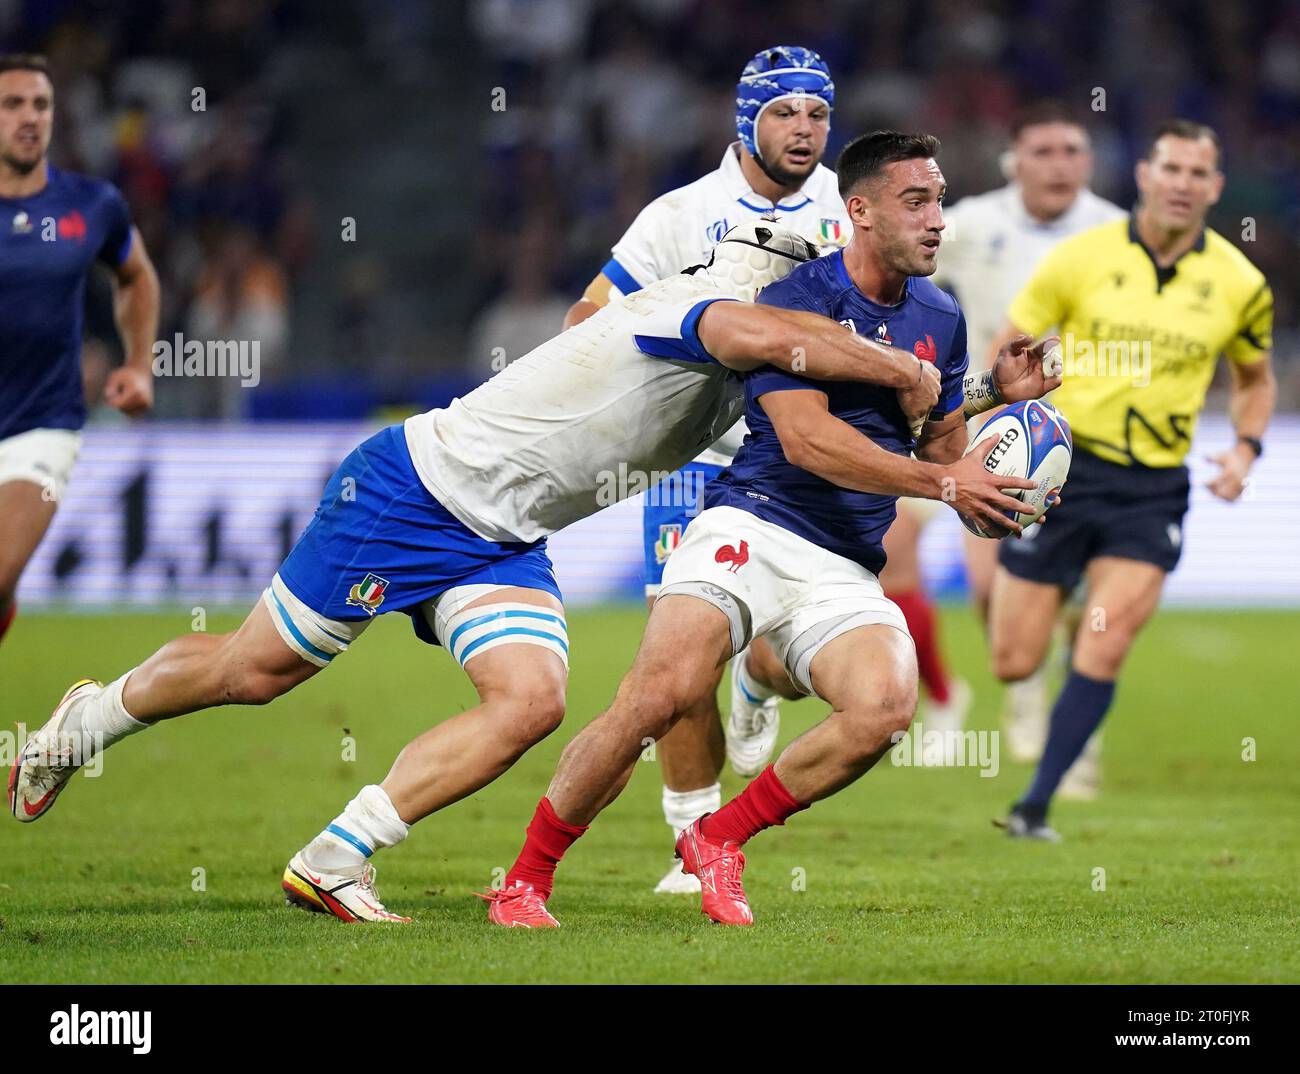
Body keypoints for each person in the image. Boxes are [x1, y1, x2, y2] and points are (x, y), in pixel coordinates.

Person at [9, 224, 947, 924]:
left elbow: (834, 409)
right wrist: (896, 364)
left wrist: (979, 392)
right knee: (255, 673)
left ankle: (340, 854)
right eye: (808, 293)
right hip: (416, 492)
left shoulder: (756, 359)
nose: (823, 305)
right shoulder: (708, 311)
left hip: (507, 534)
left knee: (533, 700)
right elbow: (772, 337)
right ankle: (85, 722)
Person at [483, 132, 1062, 929]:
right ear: (858, 210)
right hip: (752, 526)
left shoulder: (941, 313)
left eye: (939, 201)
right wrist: (941, 481)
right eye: (916, 202)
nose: (937, 221)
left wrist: (995, 416)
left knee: (884, 709)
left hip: (844, 562)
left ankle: (719, 839)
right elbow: (807, 440)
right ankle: (525, 877)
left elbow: (938, 443)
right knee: (658, 697)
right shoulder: (798, 302)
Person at [564, 45, 852, 894]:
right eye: (785, 112)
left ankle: (761, 685)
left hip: (806, 458)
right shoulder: (679, 215)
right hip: (697, 462)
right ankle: (692, 841)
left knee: (788, 659)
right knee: (678, 665)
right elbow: (594, 307)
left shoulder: (850, 206)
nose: (804, 130)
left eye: (818, 113)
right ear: (746, 120)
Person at [989, 120, 1276, 840]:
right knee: (1011, 659)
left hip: (1151, 488)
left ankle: (1035, 806)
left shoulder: (1241, 284)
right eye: (1170, 168)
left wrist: (1244, 448)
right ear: (1145, 175)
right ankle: (1059, 631)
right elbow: (1011, 347)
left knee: (1106, 642)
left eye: (1198, 173)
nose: (1183, 184)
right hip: (1063, 473)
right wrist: (1001, 424)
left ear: (1215, 187)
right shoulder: (1080, 258)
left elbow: (1255, 380)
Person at [884, 101, 1125, 771]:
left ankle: (1065, 714)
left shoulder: (1117, 235)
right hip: (973, 417)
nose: (1059, 164)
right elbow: (895, 266)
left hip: (1077, 435)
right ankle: (961, 692)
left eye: (1072, 151)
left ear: (1089, 161)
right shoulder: (965, 226)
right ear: (1013, 162)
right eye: (1043, 152)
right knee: (900, 548)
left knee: (1071, 592)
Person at [0, 53, 159, 649]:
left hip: (43, 427)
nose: (29, 117)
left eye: (40, 104)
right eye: (12, 104)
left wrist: (138, 364)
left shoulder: (90, 205)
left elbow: (136, 275)